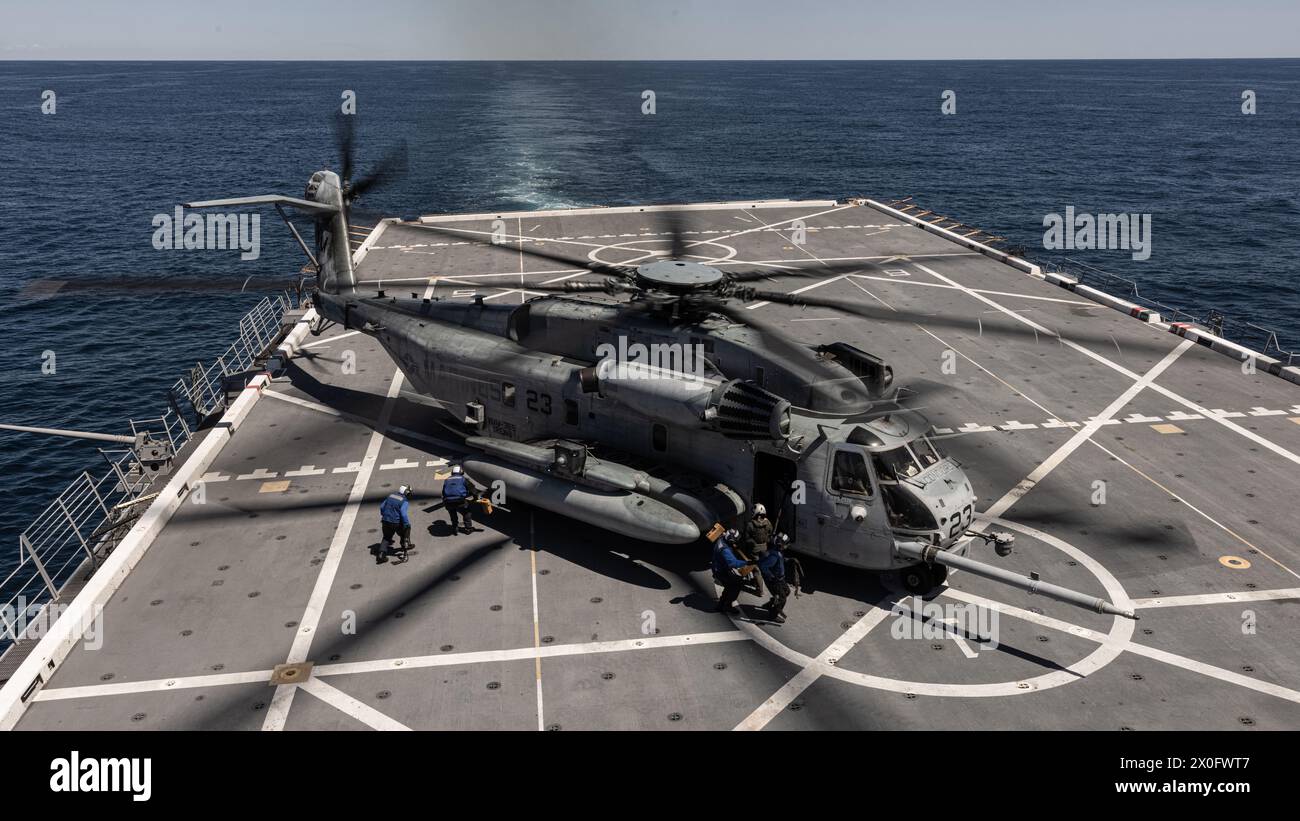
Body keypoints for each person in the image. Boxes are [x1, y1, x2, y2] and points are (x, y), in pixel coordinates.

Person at [711, 528, 755, 615]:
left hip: (717, 567)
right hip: (721, 571)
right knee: (737, 584)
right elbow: (733, 563)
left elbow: (716, 532)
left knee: (729, 586)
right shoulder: (725, 550)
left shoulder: (721, 539)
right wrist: (747, 562)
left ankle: (721, 605)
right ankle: (727, 605)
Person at [759, 532, 792, 623]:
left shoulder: (777, 551)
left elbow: (779, 559)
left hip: (780, 579)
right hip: (775, 581)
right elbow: (764, 567)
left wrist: (787, 560)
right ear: (780, 544)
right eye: (786, 544)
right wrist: (772, 577)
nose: (787, 546)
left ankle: (770, 604)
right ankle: (772, 615)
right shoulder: (773, 555)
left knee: (786, 591)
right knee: (782, 599)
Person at [378, 485, 413, 562]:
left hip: (385, 521)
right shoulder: (404, 501)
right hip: (396, 523)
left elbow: (382, 507)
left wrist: (384, 516)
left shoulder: (391, 496)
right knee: (404, 535)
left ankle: (381, 554)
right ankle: (405, 552)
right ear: (406, 493)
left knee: (386, 537)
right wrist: (406, 524)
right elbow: (403, 514)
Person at [441, 465, 479, 534]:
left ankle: (455, 528)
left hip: (448, 501)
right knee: (466, 512)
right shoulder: (463, 479)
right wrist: (475, 498)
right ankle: (468, 529)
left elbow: (443, 492)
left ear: (452, 472)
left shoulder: (447, 480)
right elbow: (473, 489)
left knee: (452, 513)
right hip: (460, 500)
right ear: (461, 472)